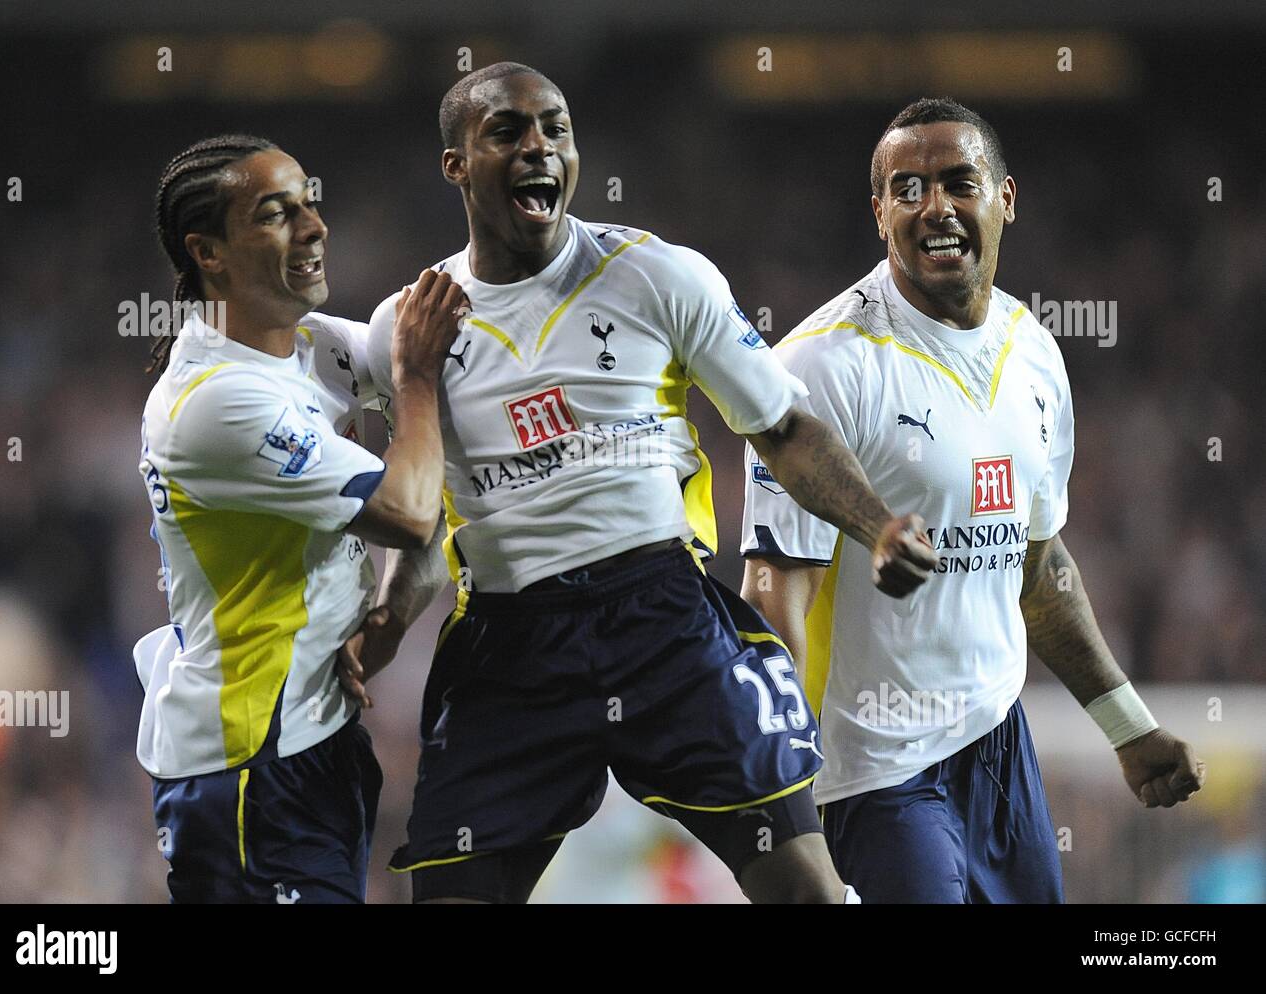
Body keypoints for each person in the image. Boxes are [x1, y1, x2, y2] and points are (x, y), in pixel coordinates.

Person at [361, 63, 936, 905]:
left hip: (662, 620)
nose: (539, 148)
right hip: (508, 646)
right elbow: (421, 526)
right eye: (508, 132)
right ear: (457, 165)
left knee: (805, 890)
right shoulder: (406, 330)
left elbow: (783, 428)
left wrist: (877, 523)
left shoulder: (656, 275)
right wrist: (380, 626)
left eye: (555, 129)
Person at [741, 98, 1206, 903]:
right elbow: (773, 589)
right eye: (909, 187)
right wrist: (784, 803)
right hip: (873, 773)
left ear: (1006, 198)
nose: (935, 207)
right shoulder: (818, 370)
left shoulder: (1033, 351)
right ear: (879, 211)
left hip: (998, 750)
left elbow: (1038, 569)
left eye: (959, 182)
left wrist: (1128, 727)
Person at [135, 134, 463, 902]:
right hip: (249, 764)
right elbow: (412, 511)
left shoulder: (313, 346)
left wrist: (391, 610)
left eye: (309, 204)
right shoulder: (215, 403)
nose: (313, 227)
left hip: (316, 741)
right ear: (207, 252)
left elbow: (440, 407)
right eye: (276, 215)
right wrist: (414, 377)